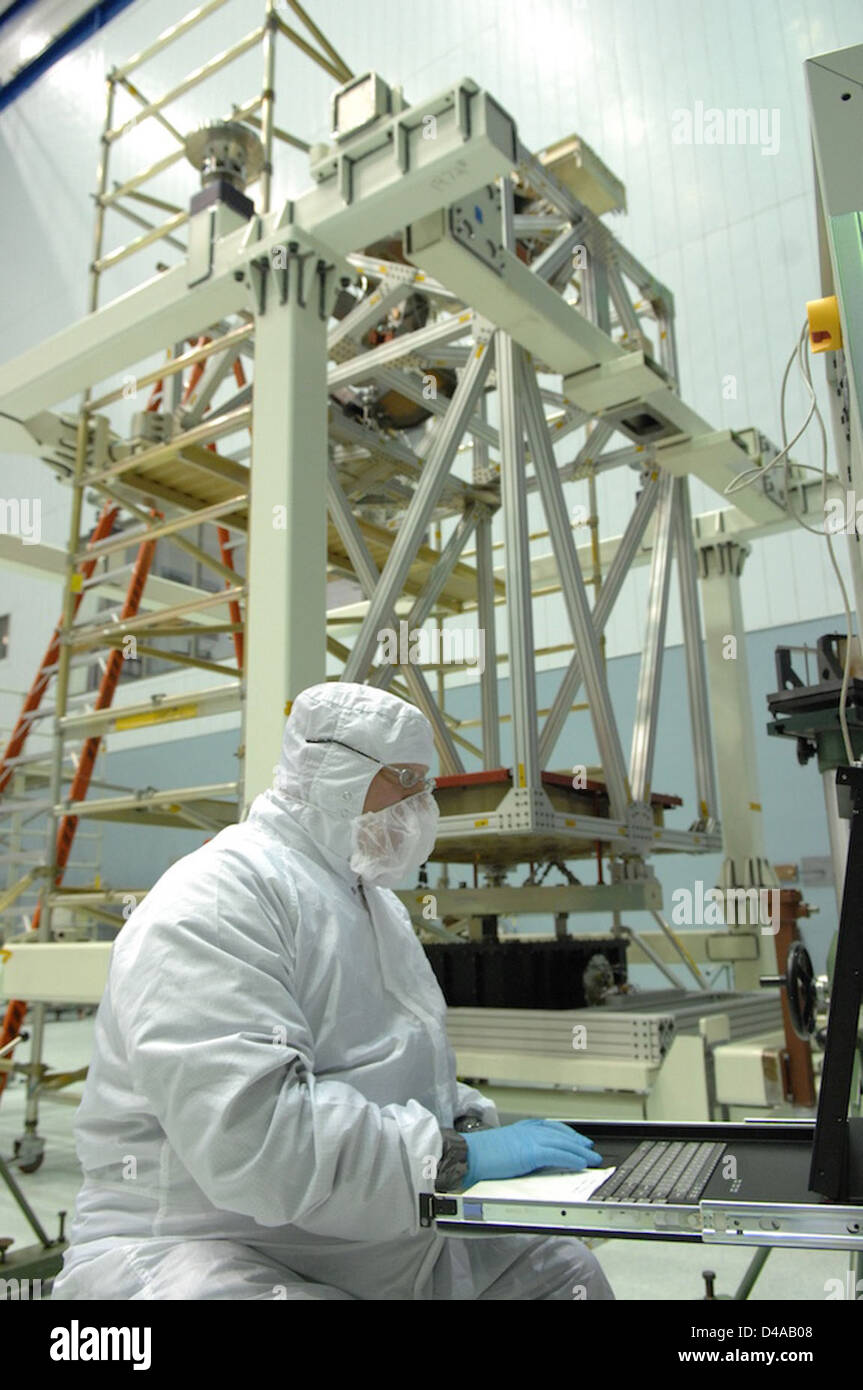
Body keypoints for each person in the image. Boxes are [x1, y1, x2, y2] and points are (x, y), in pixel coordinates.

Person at [52, 681, 614, 1301]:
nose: (423, 804)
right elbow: (260, 1142)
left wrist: (470, 1125)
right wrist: (453, 1159)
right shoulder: (220, 899)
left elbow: (401, 1067)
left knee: (561, 1274)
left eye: (426, 785)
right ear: (338, 773)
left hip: (377, 1237)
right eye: (406, 780)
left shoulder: (371, 903)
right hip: (212, 1249)